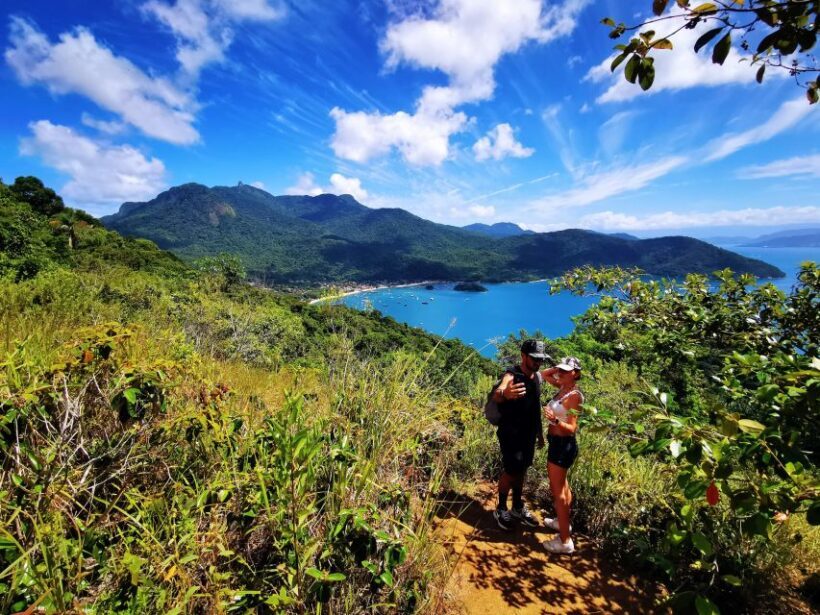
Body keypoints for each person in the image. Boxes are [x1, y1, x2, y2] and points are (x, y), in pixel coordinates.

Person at [491, 339, 547, 530]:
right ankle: (500, 508)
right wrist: (504, 394)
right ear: (523, 356)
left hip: (528, 435)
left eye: (540, 359)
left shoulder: (537, 377)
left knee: (522, 470)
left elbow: (535, 409)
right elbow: (498, 393)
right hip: (510, 434)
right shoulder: (512, 374)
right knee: (511, 471)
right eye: (534, 358)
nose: (537, 362)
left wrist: (540, 434)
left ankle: (517, 506)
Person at [539, 357, 583, 554]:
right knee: (563, 488)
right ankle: (561, 523)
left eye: (566, 371)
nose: (561, 374)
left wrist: (555, 420)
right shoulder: (562, 387)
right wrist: (558, 368)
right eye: (561, 370)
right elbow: (543, 375)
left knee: (559, 492)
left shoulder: (574, 396)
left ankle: (565, 541)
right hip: (557, 444)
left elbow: (572, 428)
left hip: (563, 446)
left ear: (575, 373)